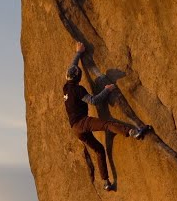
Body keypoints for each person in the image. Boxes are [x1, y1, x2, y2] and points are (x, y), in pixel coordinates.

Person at [64, 41, 152, 191]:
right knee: (106, 125)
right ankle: (134, 132)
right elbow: (93, 100)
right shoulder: (78, 90)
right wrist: (107, 90)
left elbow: (72, 68)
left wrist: (78, 52)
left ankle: (106, 182)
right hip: (82, 123)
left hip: (75, 129)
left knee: (99, 149)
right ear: (78, 79)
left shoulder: (66, 87)